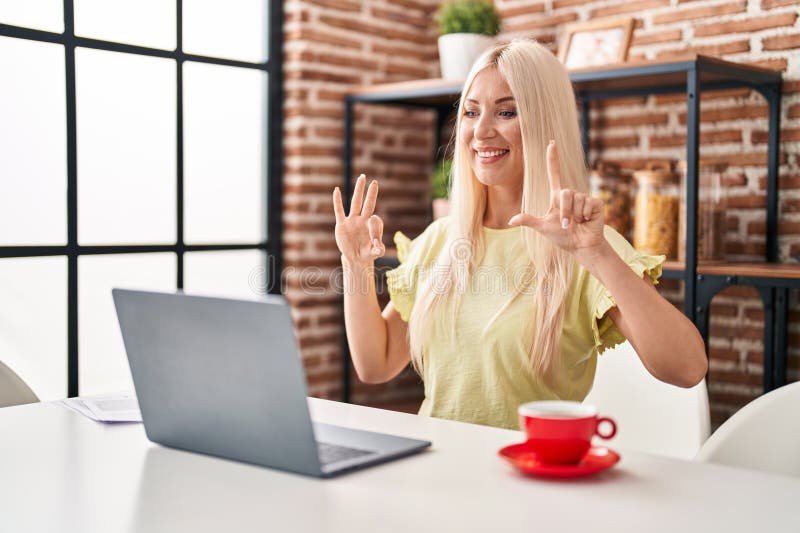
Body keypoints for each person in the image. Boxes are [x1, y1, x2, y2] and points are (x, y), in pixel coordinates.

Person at [332, 39, 707, 430]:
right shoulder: (441, 242)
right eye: (471, 112)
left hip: (533, 477)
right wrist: (355, 266)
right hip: (440, 470)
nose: (481, 131)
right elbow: (376, 364)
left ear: (546, 123)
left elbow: (687, 368)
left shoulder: (586, 245)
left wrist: (598, 255)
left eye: (507, 111)